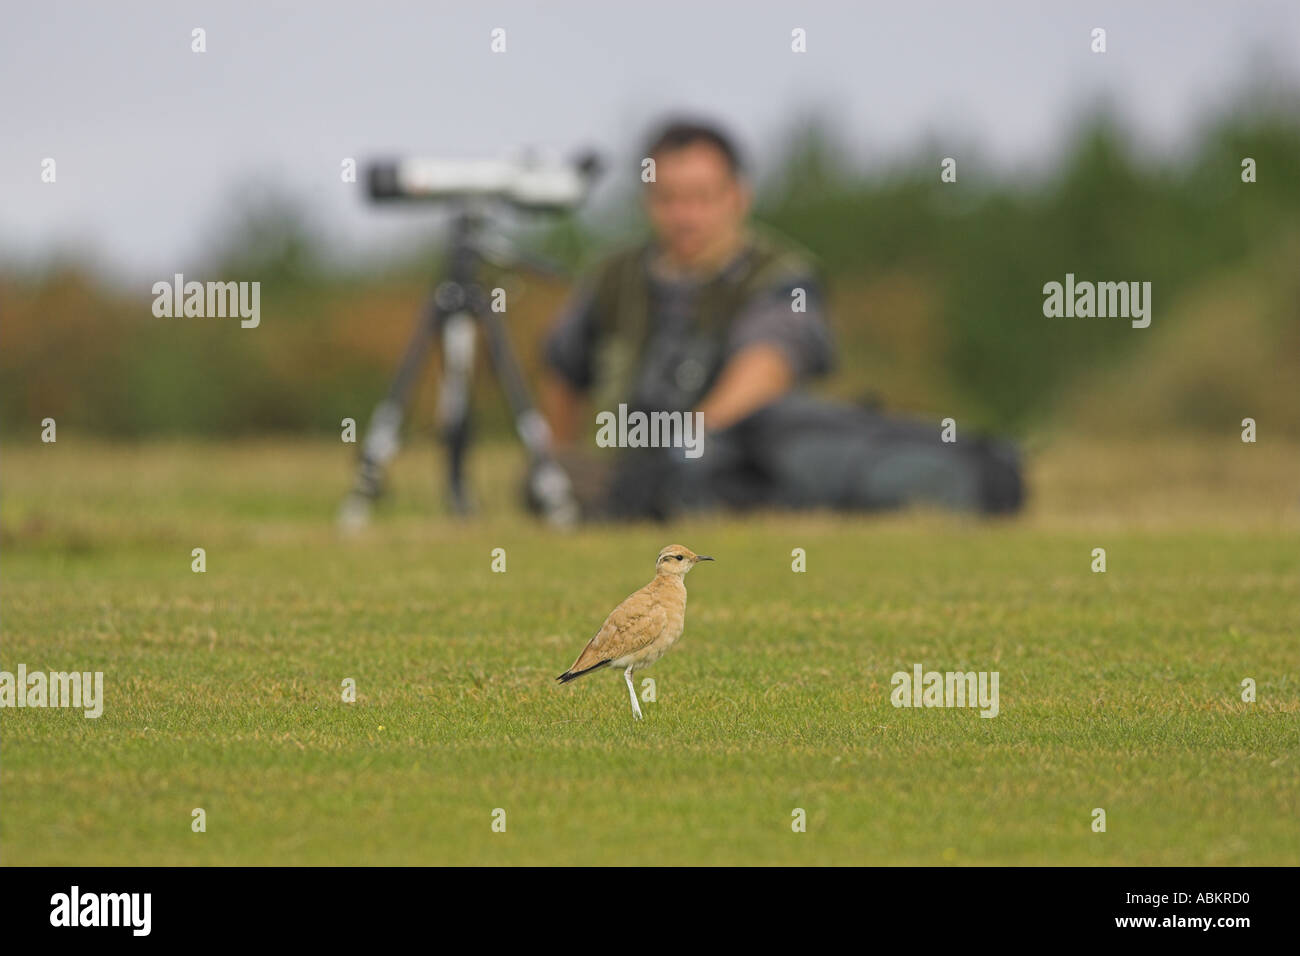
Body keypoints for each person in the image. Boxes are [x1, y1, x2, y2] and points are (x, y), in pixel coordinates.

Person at [539, 118, 1023, 521]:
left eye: (702, 198)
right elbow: (564, 366)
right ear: (648, 201)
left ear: (738, 197)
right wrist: (560, 466)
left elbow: (767, 365)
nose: (686, 216)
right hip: (632, 462)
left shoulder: (779, 275)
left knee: (741, 464)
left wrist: (684, 443)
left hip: (740, 452)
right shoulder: (614, 276)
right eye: (670, 199)